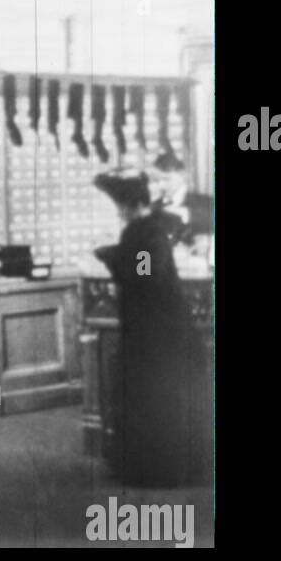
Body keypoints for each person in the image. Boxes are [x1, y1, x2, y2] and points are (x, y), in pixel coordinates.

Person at [92, 169, 211, 487]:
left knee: (154, 396)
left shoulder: (144, 231)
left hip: (157, 331)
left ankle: (157, 469)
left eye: (121, 205)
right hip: (157, 325)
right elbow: (142, 266)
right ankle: (159, 465)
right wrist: (119, 256)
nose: (119, 211)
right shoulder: (149, 228)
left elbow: (144, 273)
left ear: (131, 205)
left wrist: (113, 258)